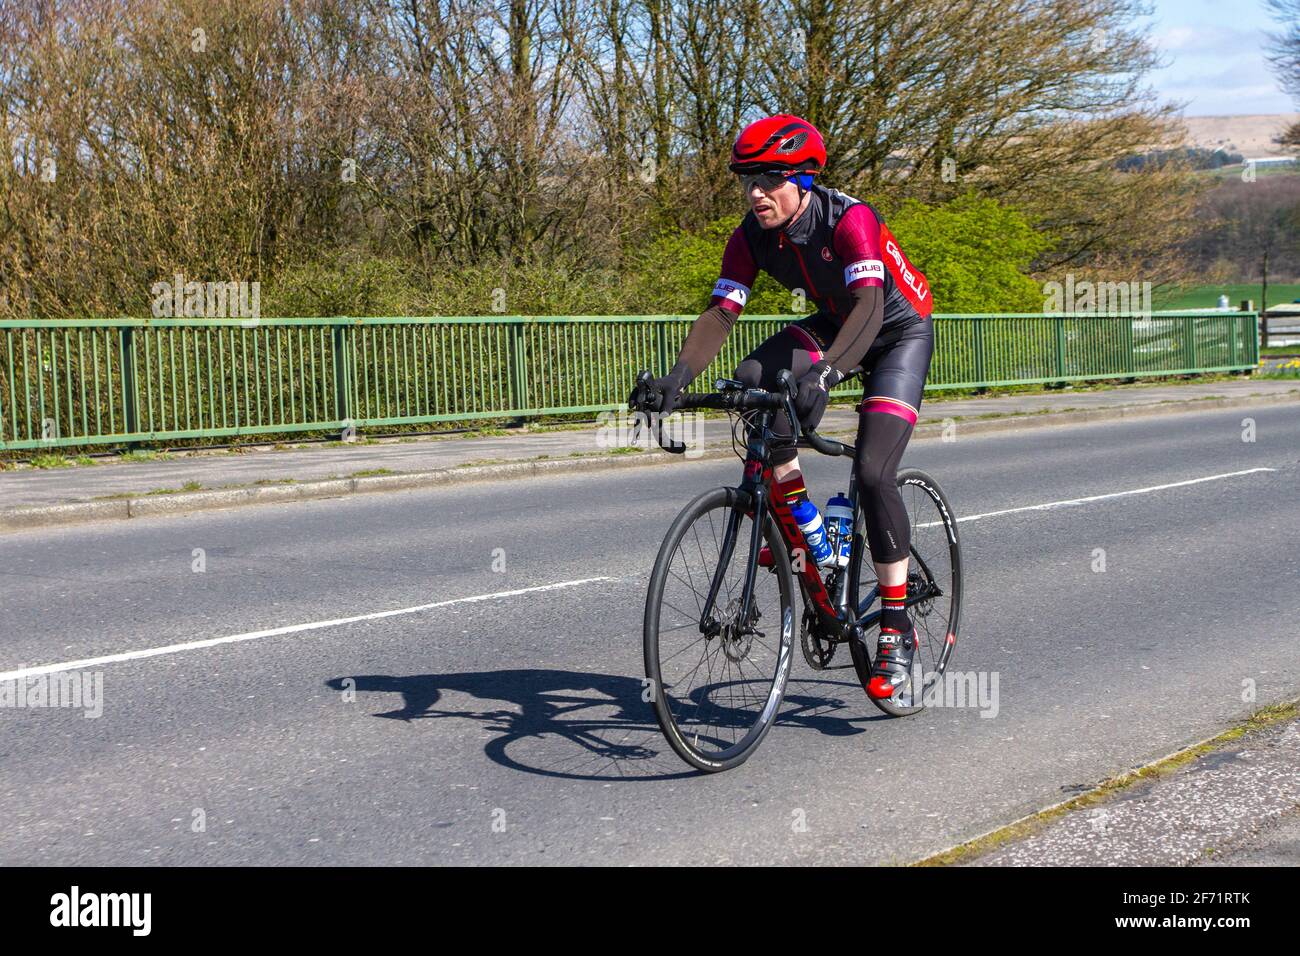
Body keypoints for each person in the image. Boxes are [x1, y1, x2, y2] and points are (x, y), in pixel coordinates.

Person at [644, 113, 934, 701]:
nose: (755, 192)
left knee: (874, 473)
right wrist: (676, 379)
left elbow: (872, 309)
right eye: (747, 179)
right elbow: (723, 311)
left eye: (769, 178)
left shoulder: (850, 220)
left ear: (802, 178)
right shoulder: (751, 234)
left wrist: (825, 374)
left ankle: (897, 628)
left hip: (895, 330)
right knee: (754, 381)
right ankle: (811, 535)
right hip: (834, 324)